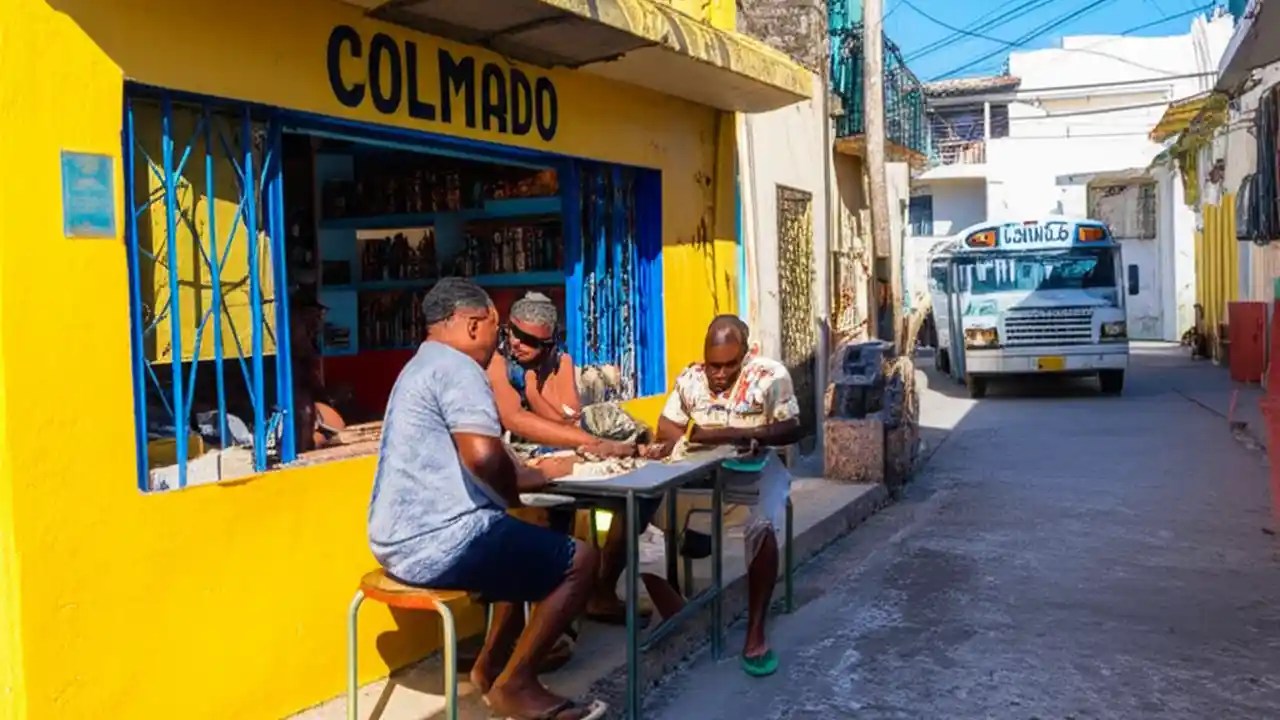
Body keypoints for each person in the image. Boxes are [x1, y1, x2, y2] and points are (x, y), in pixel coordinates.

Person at [367, 278, 606, 720]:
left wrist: (528, 477)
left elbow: (477, 454)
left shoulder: (419, 365)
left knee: (525, 534)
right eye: (497, 330)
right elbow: (481, 456)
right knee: (581, 560)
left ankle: (491, 667)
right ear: (475, 324)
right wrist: (516, 490)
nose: (499, 343)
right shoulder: (459, 368)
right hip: (437, 542)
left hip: (394, 540)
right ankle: (516, 686)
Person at [648, 314, 803, 678]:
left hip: (757, 466)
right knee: (646, 505)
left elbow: (792, 427)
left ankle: (755, 629)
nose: (718, 374)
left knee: (762, 524)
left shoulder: (769, 376)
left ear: (745, 356)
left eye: (728, 365)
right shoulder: (690, 378)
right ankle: (675, 601)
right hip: (701, 472)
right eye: (712, 365)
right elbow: (666, 426)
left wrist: (727, 435)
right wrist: (686, 441)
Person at [486, 292, 655, 625]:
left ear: (549, 342)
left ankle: (602, 589)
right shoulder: (497, 363)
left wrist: (537, 395)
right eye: (514, 334)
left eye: (530, 341)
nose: (518, 345)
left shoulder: (560, 362)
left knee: (641, 496)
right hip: (522, 457)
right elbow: (515, 419)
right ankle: (545, 618)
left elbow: (568, 419)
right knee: (547, 516)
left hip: (566, 448)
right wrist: (534, 393)